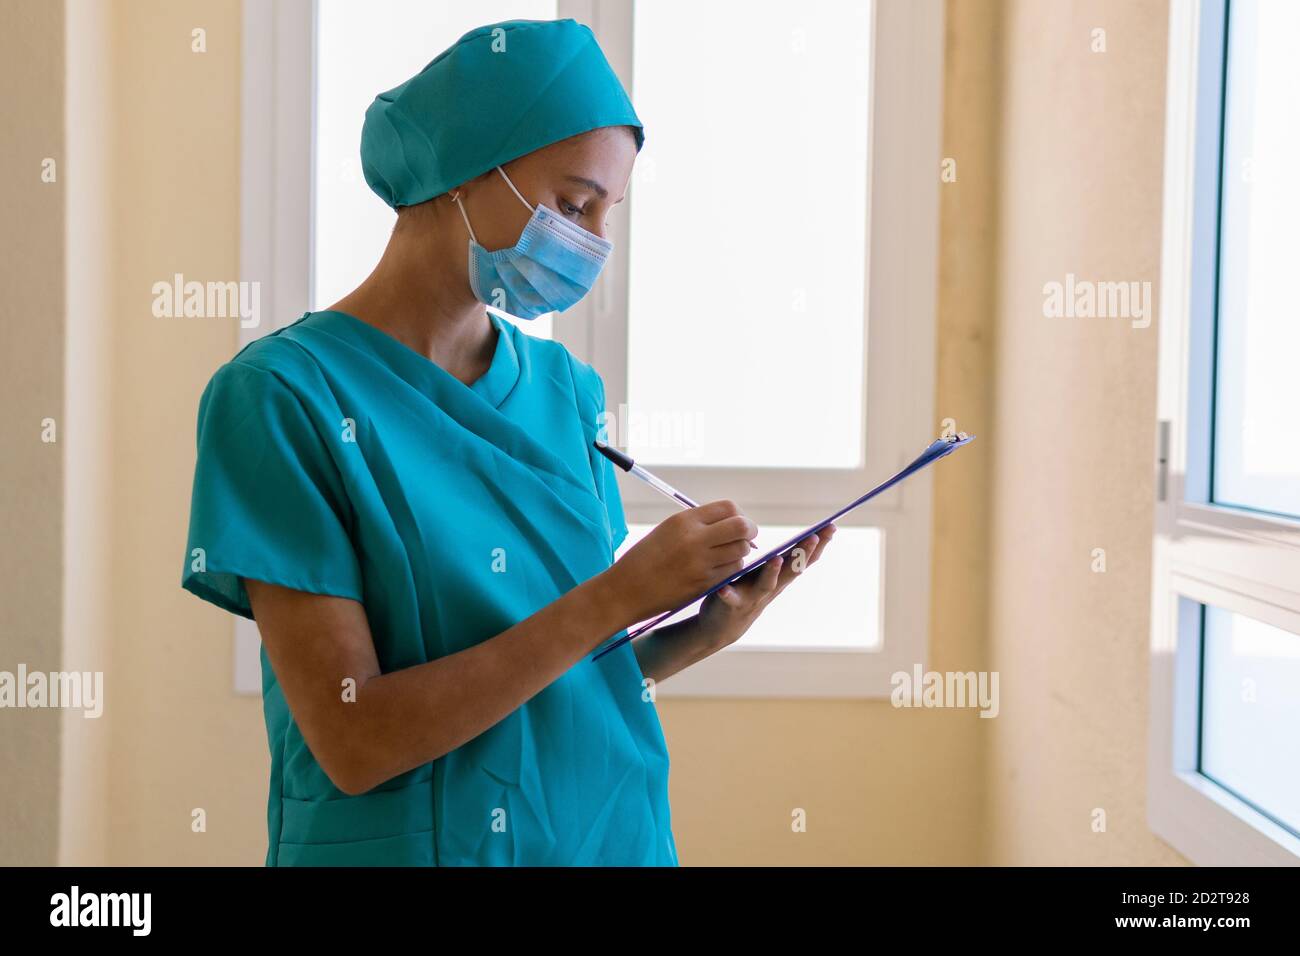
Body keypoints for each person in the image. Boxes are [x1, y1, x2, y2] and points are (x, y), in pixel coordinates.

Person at [182, 18, 834, 866]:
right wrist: (619, 595)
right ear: (465, 169)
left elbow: (556, 672)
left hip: (609, 837)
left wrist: (696, 633)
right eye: (572, 204)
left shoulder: (566, 392)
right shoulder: (280, 398)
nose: (593, 240)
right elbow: (354, 737)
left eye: (608, 213)